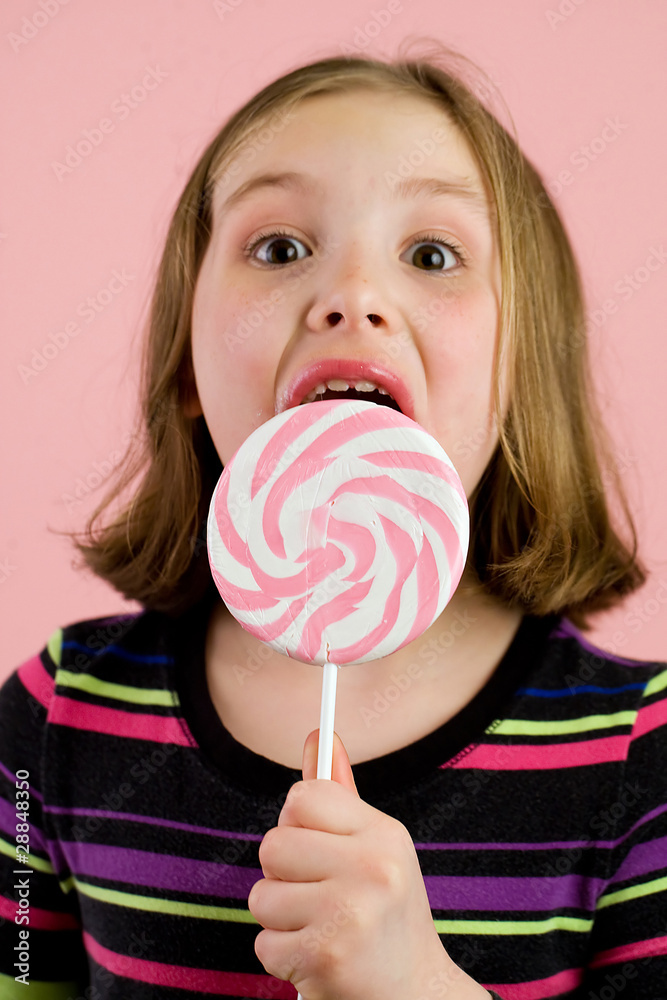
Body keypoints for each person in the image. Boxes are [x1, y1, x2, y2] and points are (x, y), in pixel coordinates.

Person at [1, 41, 666, 1000]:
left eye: (432, 254)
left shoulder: (638, 756)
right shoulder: (52, 719)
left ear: (521, 372)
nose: (352, 297)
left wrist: (413, 986)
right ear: (185, 363)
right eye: (279, 248)